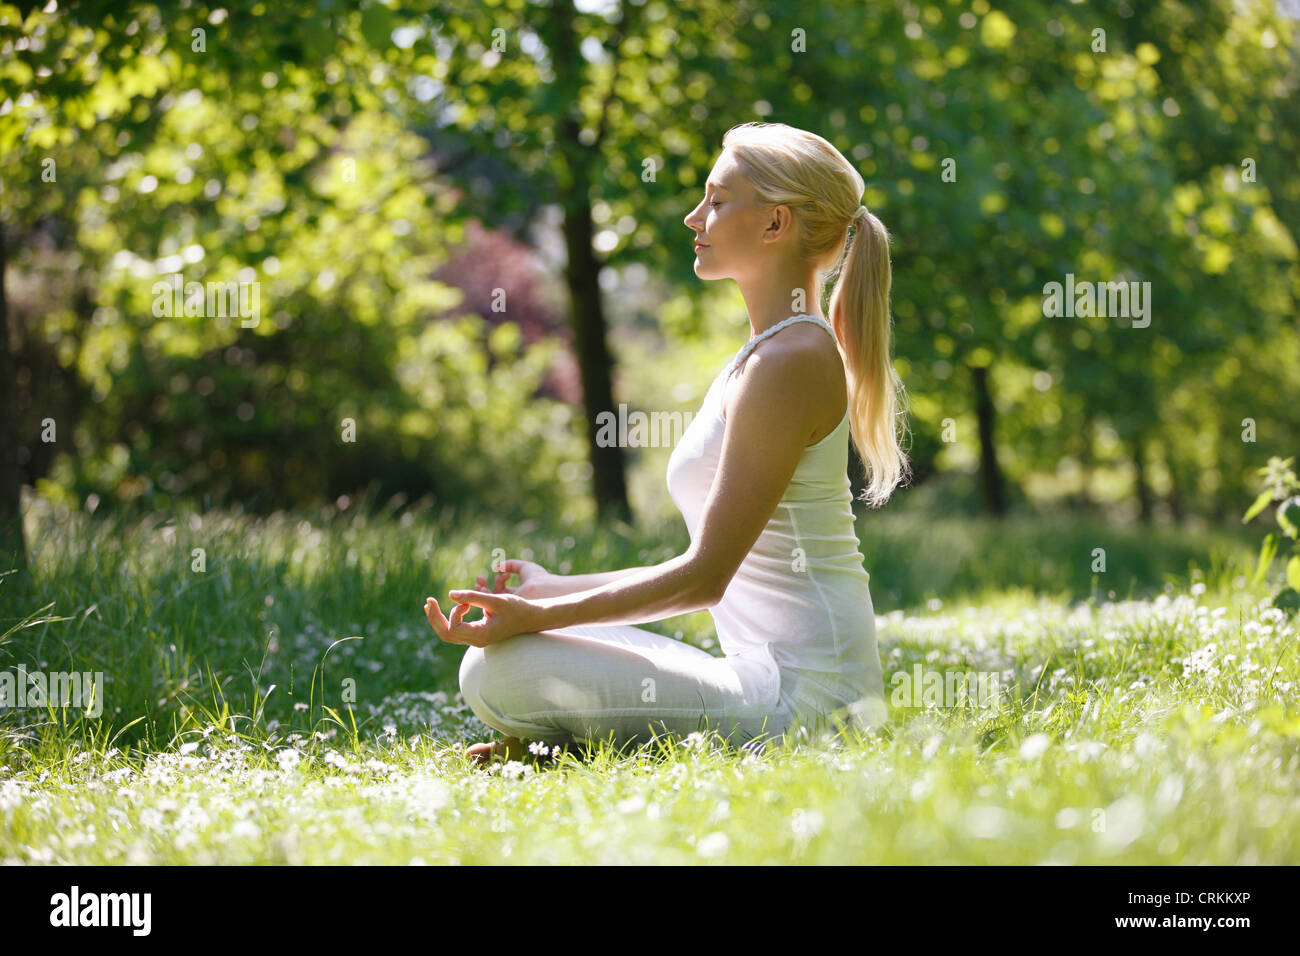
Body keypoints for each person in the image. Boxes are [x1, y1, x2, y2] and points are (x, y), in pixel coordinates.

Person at [423, 121, 910, 766]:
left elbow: (704, 578)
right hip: (757, 678)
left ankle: (562, 743)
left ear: (775, 225)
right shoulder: (766, 354)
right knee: (496, 661)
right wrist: (551, 591)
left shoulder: (792, 359)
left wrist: (542, 618)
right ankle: (562, 743)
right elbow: (702, 566)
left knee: (499, 670)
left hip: (812, 706)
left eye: (717, 198)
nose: (694, 216)